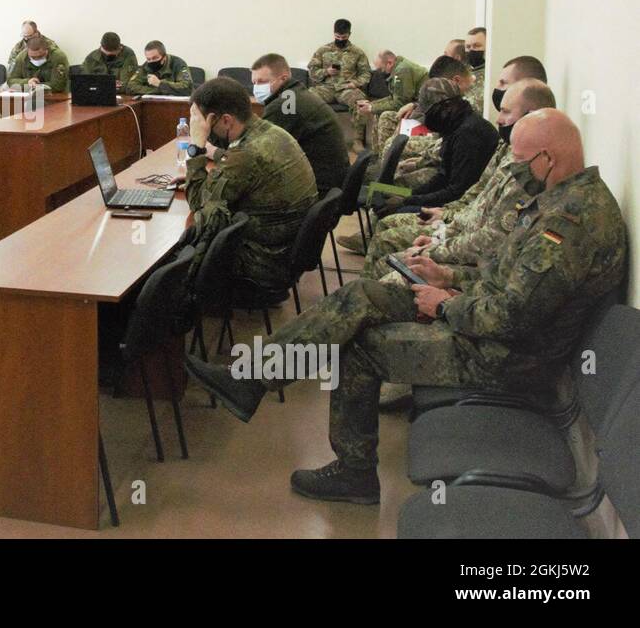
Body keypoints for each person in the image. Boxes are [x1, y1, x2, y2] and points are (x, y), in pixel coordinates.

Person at [186, 109, 628, 504]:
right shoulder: (558, 199)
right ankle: (252, 378)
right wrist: (448, 277)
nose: (513, 170)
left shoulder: (570, 224)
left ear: (548, 158)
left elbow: (510, 318)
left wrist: (444, 306)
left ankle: (355, 473)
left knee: (360, 350)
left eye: (519, 160)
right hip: (479, 316)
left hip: (506, 356)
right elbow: (507, 281)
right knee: (361, 296)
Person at [363, 61, 553, 275]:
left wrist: (422, 209)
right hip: (457, 217)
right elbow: (471, 192)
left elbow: (465, 199)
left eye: (506, 111)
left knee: (386, 234)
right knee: (386, 202)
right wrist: (420, 202)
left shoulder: (476, 137)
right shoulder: (476, 134)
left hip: (464, 236)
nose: (498, 119)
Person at [185, 77, 317, 293]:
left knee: (182, 250)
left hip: (264, 262)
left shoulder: (245, 155)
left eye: (204, 124)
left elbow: (199, 202)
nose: (203, 129)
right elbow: (241, 166)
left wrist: (197, 145)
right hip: (288, 249)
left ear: (226, 120)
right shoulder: (272, 132)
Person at [371, 77, 498, 215]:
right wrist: (409, 195)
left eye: (428, 112)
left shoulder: (468, 134)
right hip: (454, 196)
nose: (426, 117)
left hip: (464, 207)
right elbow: (443, 177)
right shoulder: (455, 124)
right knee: (383, 202)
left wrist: (406, 201)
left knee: (389, 213)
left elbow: (457, 192)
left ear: (443, 108)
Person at [250, 54, 348, 194]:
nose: (256, 88)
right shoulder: (297, 93)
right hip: (332, 184)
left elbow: (257, 153)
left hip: (319, 189)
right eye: (254, 83)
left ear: (283, 78)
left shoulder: (284, 105)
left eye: (262, 82)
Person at [355, 50, 427, 154]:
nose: (381, 72)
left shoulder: (402, 71)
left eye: (382, 69)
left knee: (386, 116)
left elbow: (400, 103)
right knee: (377, 112)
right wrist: (371, 105)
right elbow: (394, 97)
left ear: (389, 63)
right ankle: (377, 155)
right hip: (414, 105)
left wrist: (372, 108)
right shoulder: (399, 68)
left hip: (422, 109)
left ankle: (385, 156)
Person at [307, 18, 371, 107]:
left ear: (349, 34)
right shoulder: (323, 50)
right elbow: (312, 71)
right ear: (334, 33)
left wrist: (356, 83)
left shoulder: (357, 52)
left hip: (347, 89)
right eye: (337, 36)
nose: (340, 39)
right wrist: (326, 71)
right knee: (306, 99)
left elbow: (366, 73)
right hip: (326, 88)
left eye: (344, 37)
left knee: (361, 104)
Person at [6, 35, 70, 93]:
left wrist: (36, 85)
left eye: (40, 56)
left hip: (55, 96)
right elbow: (11, 81)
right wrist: (27, 82)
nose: (36, 59)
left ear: (47, 50)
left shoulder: (58, 57)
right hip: (29, 96)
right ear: (27, 51)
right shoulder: (21, 57)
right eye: (33, 57)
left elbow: (58, 85)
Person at [125, 41, 193, 96]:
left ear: (164, 57)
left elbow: (187, 88)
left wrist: (160, 84)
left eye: (155, 58)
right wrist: (158, 90)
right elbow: (130, 87)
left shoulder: (178, 64)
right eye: (148, 59)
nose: (151, 61)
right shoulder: (146, 66)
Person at [463, 27, 487, 113]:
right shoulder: (462, 72)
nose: (471, 50)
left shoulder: (490, 74)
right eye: (468, 47)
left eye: (476, 46)